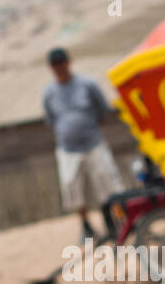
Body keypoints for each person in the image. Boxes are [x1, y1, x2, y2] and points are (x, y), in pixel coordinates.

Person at [42, 47, 125, 241]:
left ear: (68, 62)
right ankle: (86, 226)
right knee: (72, 188)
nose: (59, 68)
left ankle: (112, 221)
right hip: (67, 149)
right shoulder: (49, 93)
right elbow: (51, 119)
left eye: (61, 63)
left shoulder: (87, 84)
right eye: (55, 65)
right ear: (51, 68)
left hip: (93, 144)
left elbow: (102, 110)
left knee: (106, 182)